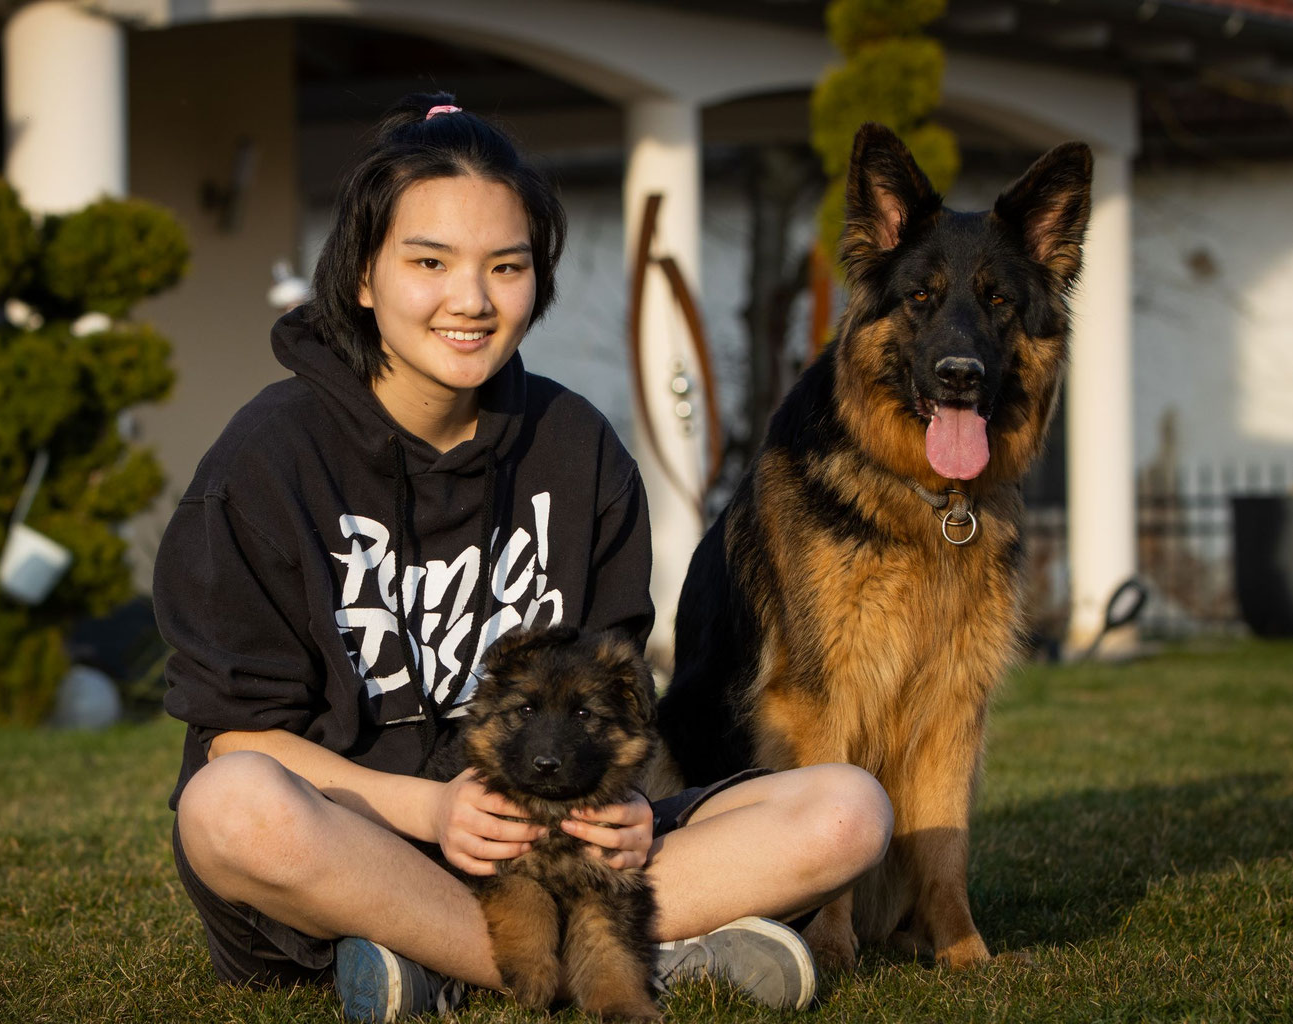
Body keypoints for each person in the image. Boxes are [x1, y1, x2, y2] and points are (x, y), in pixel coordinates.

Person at [154, 92, 893, 1022]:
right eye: (429, 262)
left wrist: (622, 810)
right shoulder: (264, 463)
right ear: (363, 276)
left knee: (847, 811)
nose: (471, 300)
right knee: (229, 807)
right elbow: (237, 736)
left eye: (505, 266)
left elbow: (615, 698)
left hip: (555, 849)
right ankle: (629, 959)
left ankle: (431, 962)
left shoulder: (579, 452)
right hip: (355, 843)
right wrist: (430, 812)